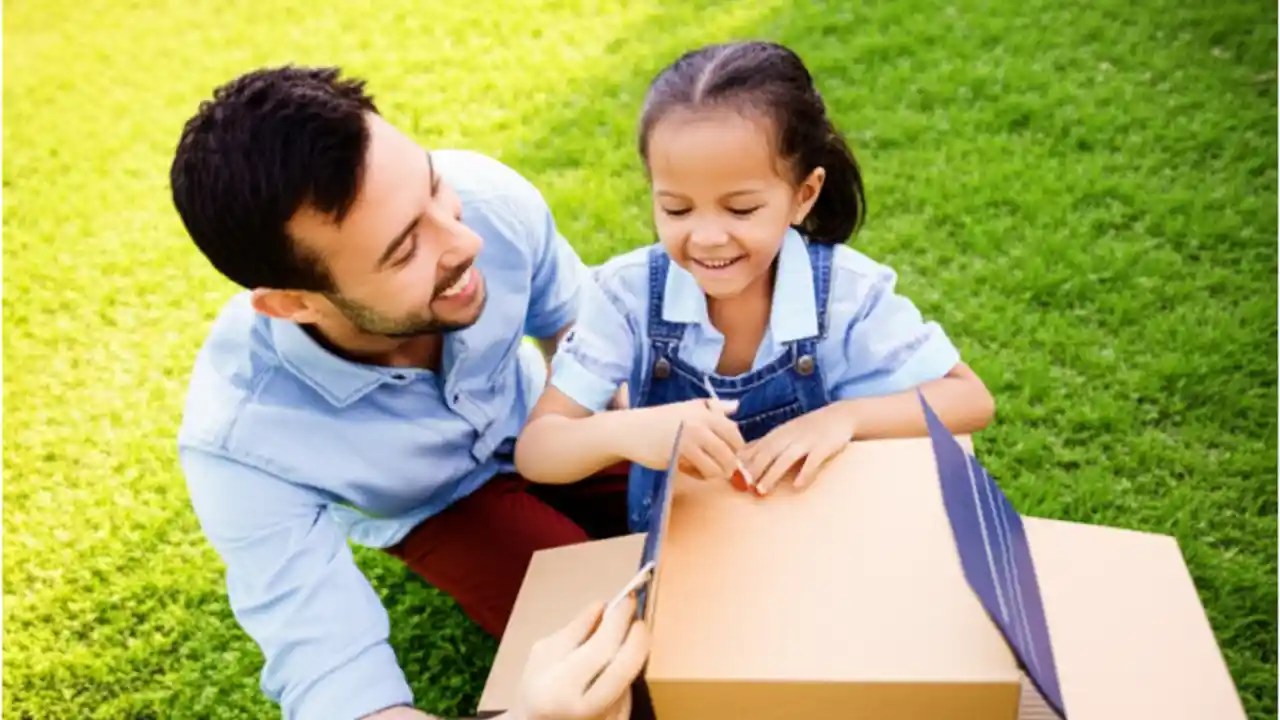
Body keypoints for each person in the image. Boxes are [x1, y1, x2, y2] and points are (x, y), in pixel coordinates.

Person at [171, 66, 637, 719]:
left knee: (710, 518)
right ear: (294, 303)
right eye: (403, 251)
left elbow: (578, 329)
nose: (466, 240)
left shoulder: (488, 202)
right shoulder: (241, 443)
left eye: (433, 188)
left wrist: (630, 444)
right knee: (609, 637)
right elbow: (337, 689)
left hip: (542, 415)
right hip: (435, 504)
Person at [514, 41, 996, 531]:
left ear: (803, 196)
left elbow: (969, 399)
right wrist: (626, 431)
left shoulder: (846, 292)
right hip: (686, 549)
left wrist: (842, 419)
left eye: (741, 209)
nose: (705, 237)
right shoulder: (628, 294)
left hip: (821, 534)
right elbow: (538, 451)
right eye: (676, 208)